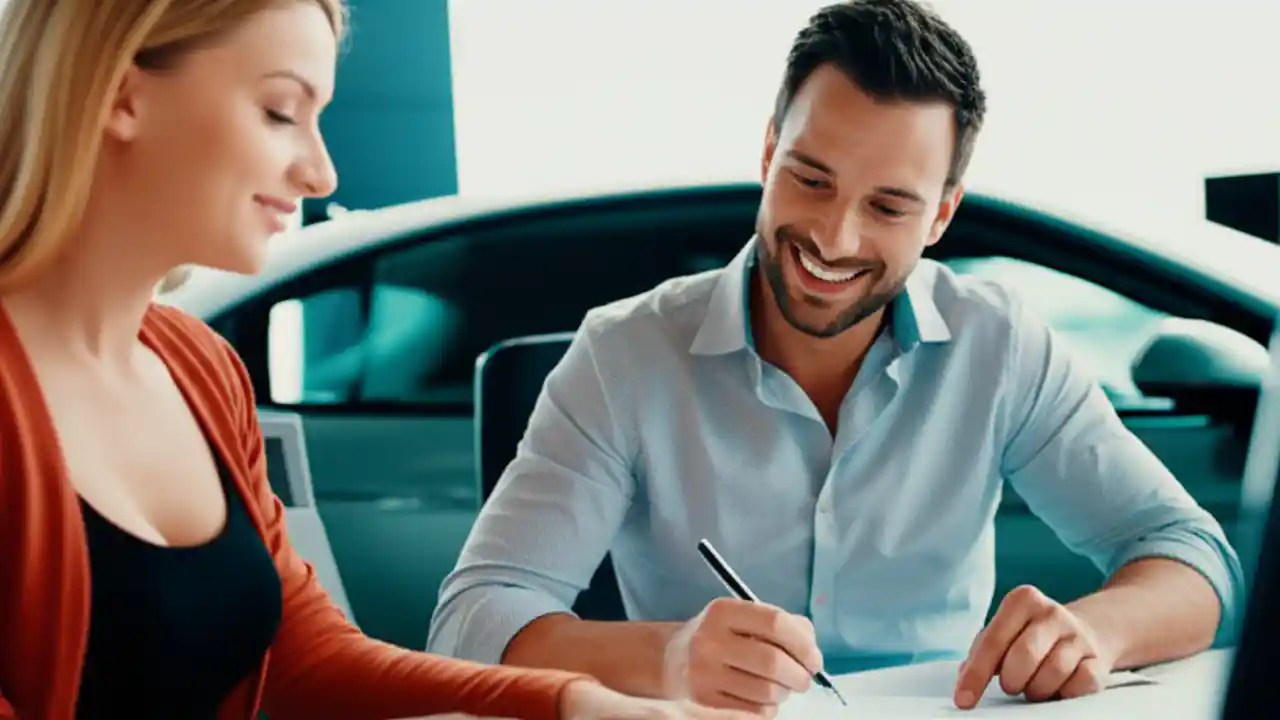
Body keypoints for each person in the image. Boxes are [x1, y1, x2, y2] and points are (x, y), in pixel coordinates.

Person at [428, 0, 1245, 715]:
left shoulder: (1000, 347)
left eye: (889, 205)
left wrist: (1095, 631)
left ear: (941, 216)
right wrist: (669, 658)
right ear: (767, 155)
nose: (833, 238)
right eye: (810, 180)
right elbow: (471, 617)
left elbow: (1191, 555)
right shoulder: (624, 355)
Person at [0, 2, 755, 719]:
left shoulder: (201, 368)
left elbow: (305, 659)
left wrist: (570, 703)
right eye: (279, 113)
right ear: (122, 95)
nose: (321, 175)